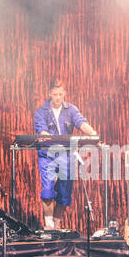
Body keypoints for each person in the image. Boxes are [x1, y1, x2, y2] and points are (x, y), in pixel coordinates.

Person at [32, 79, 97, 230]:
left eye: (60, 94)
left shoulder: (71, 109)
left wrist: (94, 135)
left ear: (64, 94)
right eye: (55, 95)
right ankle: (48, 227)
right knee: (47, 189)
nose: (58, 98)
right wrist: (51, 138)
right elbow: (41, 131)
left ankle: (56, 226)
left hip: (66, 155)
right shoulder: (41, 112)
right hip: (48, 154)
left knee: (64, 191)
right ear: (49, 94)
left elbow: (82, 123)